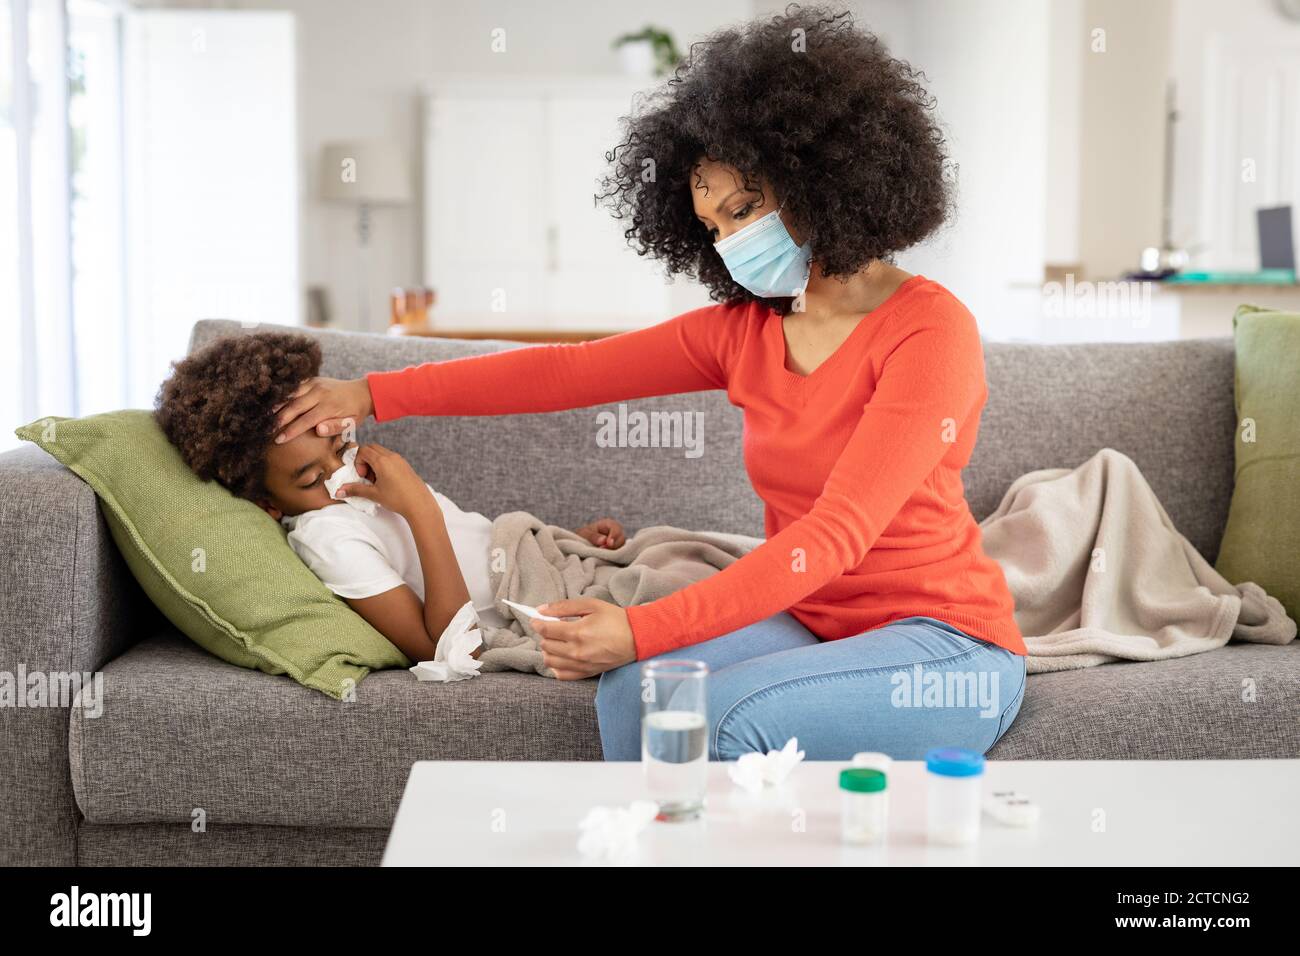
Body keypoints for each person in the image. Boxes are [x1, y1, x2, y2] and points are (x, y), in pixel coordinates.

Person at [271, 5, 1028, 760]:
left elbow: (834, 538)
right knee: (637, 689)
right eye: (713, 226)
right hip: (816, 624)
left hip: (945, 643)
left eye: (745, 209)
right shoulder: (744, 331)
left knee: (726, 716)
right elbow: (564, 371)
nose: (732, 242)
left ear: (823, 177)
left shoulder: (931, 332)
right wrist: (372, 394)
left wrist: (637, 626)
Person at [154, 330, 627, 666]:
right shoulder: (328, 537)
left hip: (553, 567)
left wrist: (563, 541)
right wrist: (419, 508)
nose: (340, 473)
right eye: (309, 479)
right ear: (268, 505)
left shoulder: (372, 477)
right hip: (525, 606)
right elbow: (449, 646)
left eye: (339, 446)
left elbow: (480, 544)